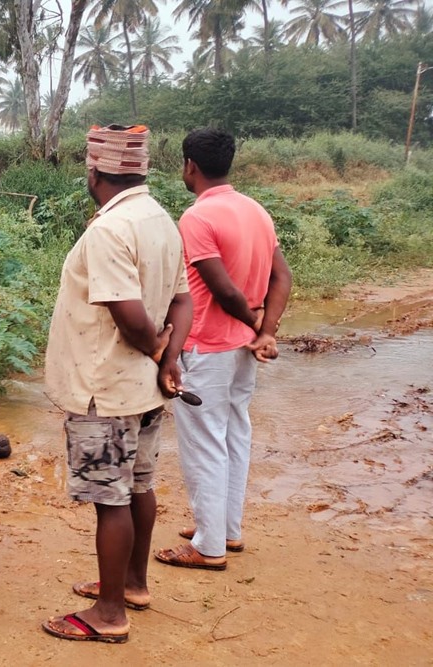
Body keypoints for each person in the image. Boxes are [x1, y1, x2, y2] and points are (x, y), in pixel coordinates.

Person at [41, 125, 192, 644]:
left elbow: (128, 314)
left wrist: (155, 349)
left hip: (103, 388)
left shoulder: (111, 229)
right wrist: (169, 358)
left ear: (94, 171)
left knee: (112, 499)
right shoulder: (160, 219)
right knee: (140, 486)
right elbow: (181, 301)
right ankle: (132, 583)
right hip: (144, 388)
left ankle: (109, 614)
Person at [155, 128, 292, 571]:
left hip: (207, 346)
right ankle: (225, 530)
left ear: (189, 165)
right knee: (235, 434)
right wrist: (264, 331)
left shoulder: (197, 218)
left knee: (205, 443)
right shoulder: (256, 210)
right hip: (240, 348)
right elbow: (281, 278)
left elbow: (223, 291)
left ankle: (208, 546)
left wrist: (258, 327)